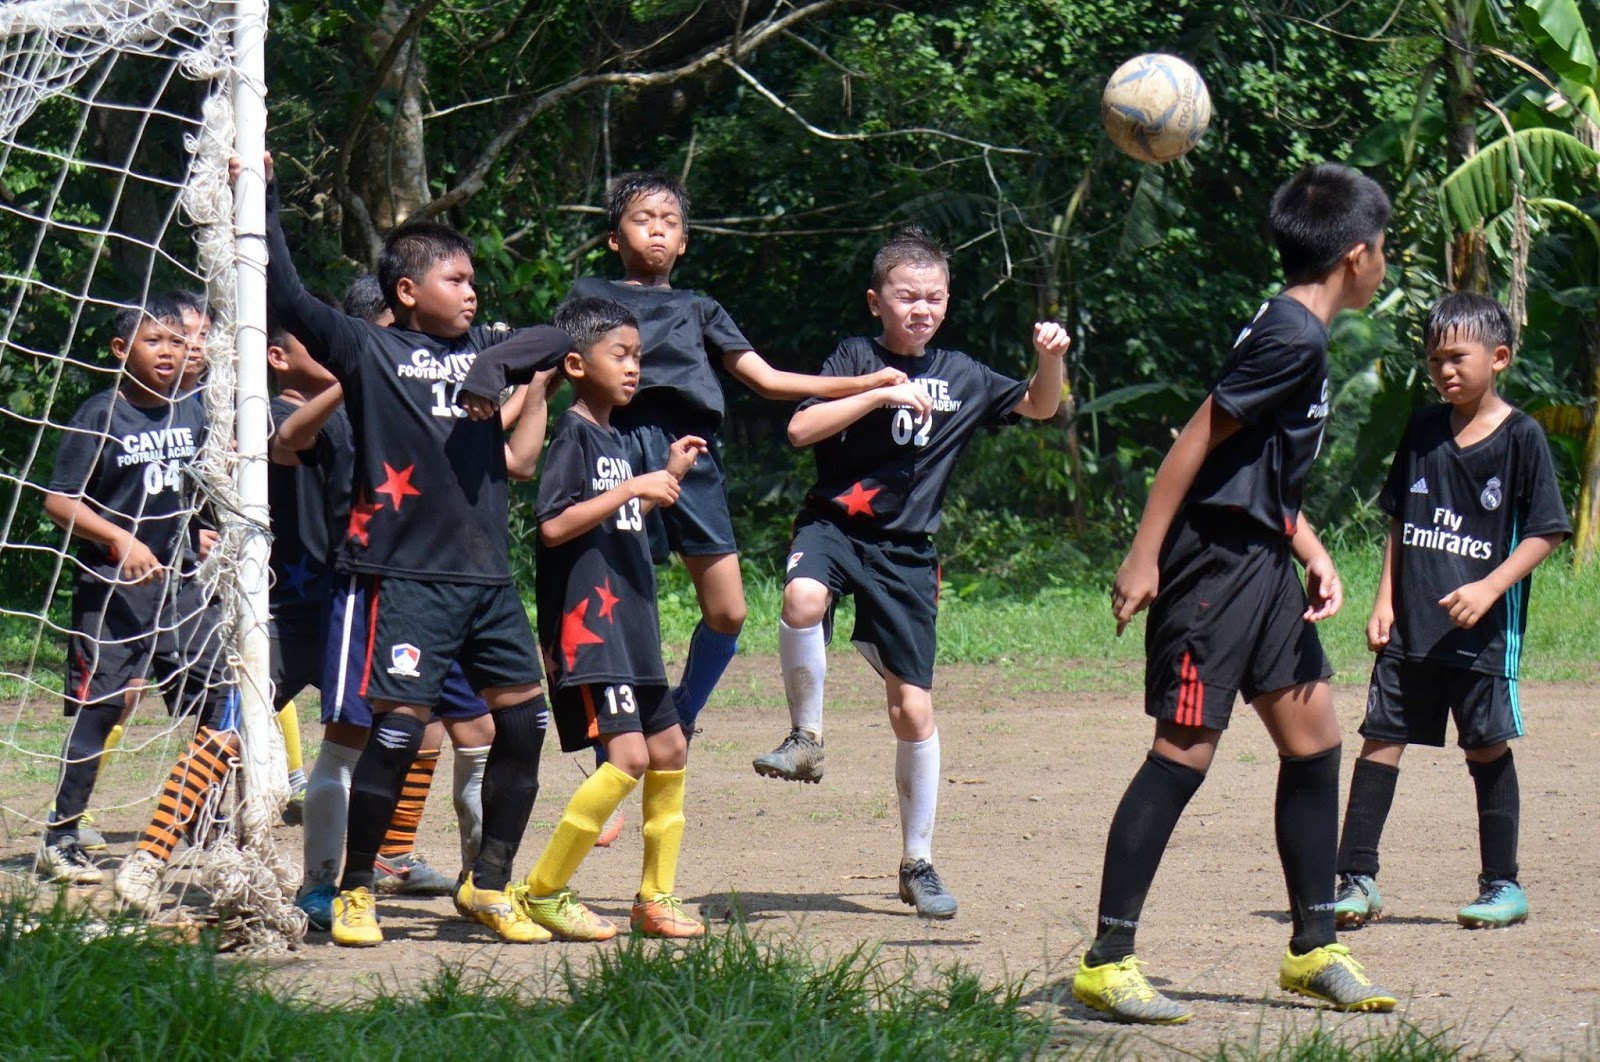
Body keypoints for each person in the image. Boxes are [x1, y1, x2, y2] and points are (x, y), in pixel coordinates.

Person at [1072, 163, 1396, 1024]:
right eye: (1386, 249)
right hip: (1212, 567)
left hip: (1262, 561)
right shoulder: (1296, 335)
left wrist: (1313, 549)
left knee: (1314, 737)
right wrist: (1144, 558)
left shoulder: (1295, 328)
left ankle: (1314, 946)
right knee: (1183, 753)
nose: (1386, 263)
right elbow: (1197, 440)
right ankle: (1108, 959)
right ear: (1357, 254)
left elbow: (1258, 469)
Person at [259, 154, 566, 947]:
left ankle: (489, 886)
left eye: (473, 281)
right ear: (407, 292)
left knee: (524, 729)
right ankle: (356, 888)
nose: (471, 292)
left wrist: (497, 364)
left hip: (489, 581)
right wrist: (261, 192)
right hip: (403, 579)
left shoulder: (488, 349)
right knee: (395, 732)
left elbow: (569, 329)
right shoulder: (369, 351)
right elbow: (287, 298)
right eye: (456, 279)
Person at [750, 227, 1071, 920]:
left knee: (913, 709)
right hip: (835, 527)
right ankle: (807, 740)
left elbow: (1041, 407)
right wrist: (876, 394)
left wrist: (1050, 361)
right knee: (802, 598)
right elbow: (801, 432)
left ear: (947, 303)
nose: (921, 309)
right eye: (906, 296)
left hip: (906, 555)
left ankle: (916, 863)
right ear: (877, 302)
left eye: (934, 297)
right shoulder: (854, 357)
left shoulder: (963, 374)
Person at [564, 173, 904, 756]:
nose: (658, 231)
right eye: (644, 219)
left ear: (685, 242)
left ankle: (681, 715)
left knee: (728, 610)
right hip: (616, 453)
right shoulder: (588, 298)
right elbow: (548, 365)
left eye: (670, 223)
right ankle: (609, 754)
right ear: (615, 238)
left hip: (691, 457)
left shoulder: (700, 308)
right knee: (619, 612)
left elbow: (768, 380)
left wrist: (865, 380)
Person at [1333, 293, 1568, 932]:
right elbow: (1400, 521)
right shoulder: (1422, 428)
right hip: (1410, 626)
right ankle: (1355, 880)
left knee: (1486, 748)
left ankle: (1502, 886)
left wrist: (1491, 588)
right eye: (1435, 359)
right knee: (1380, 741)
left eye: (1458, 357)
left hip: (1484, 636)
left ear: (1499, 357)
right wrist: (1384, 598)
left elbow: (1546, 531)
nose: (1445, 370)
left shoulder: (1523, 437)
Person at [269, 279, 499, 931]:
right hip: (370, 587)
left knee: (478, 731)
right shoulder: (345, 403)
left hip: (445, 587)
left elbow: (510, 460)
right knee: (349, 738)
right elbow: (286, 441)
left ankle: (480, 881)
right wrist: (360, 376)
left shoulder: (439, 399)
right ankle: (321, 885)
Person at [498, 296, 707, 940]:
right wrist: (632, 488)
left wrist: (659, 480)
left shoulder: (615, 439)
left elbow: (612, 522)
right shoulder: (574, 434)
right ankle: (542, 889)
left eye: (638, 356)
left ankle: (655, 898)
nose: (633, 367)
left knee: (669, 747)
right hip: (590, 634)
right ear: (575, 363)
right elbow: (556, 524)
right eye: (620, 354)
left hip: (632, 629)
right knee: (628, 755)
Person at [37, 293, 235, 917]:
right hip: (113, 592)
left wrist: (201, 527)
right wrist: (120, 540)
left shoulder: (193, 413)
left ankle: (203, 822)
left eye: (179, 344)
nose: (171, 354)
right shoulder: (101, 415)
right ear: (123, 351)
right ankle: (63, 835)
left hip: (180, 585)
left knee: (210, 695)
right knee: (107, 705)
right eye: (157, 343)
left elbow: (194, 486)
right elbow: (59, 501)